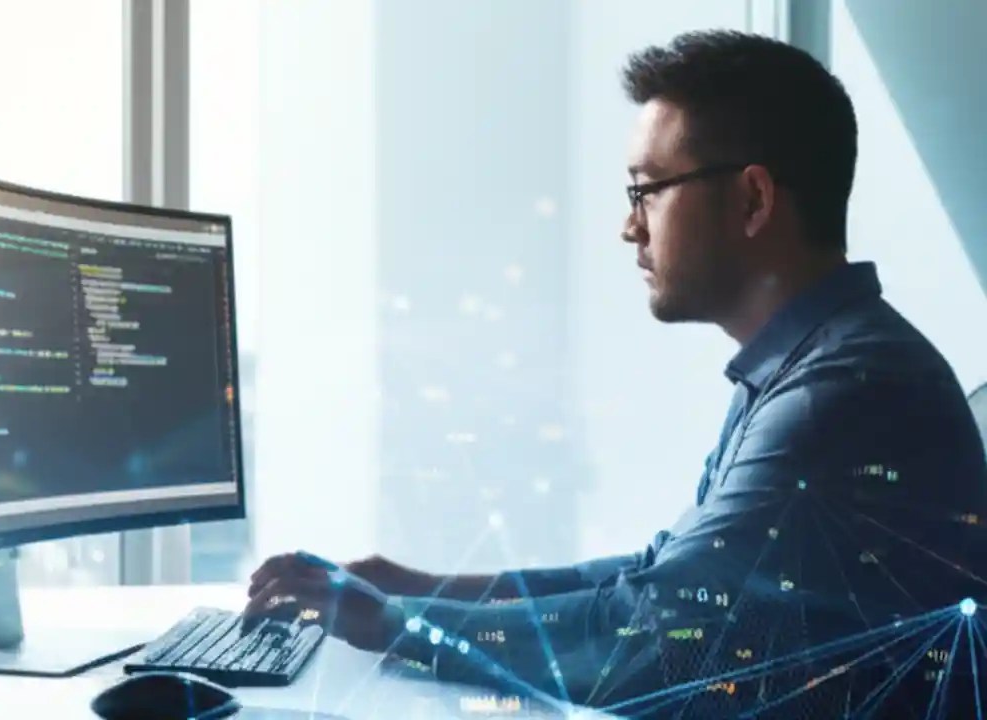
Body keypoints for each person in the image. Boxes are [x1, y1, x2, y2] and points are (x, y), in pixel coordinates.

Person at [244, 30, 987, 714]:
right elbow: (654, 575)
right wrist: (416, 587)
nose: (629, 225)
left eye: (646, 191)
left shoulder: (844, 393)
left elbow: (648, 635)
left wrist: (387, 619)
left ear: (753, 198)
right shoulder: (812, 365)